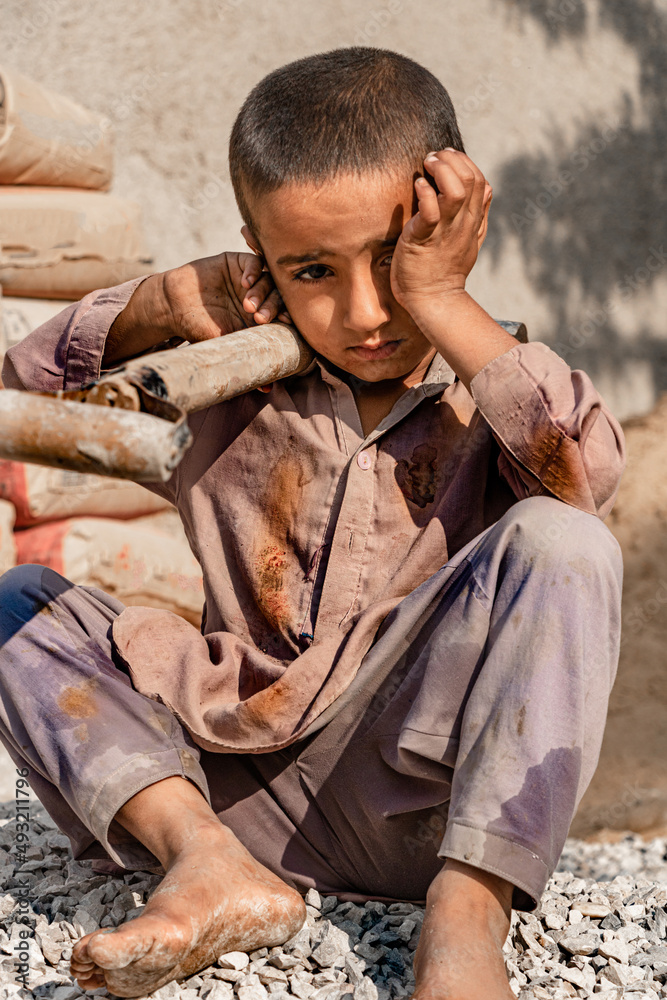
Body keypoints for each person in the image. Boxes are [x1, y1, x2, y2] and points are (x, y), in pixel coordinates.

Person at [0, 48, 624, 1000]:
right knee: (16, 606)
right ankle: (206, 867)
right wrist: (154, 307)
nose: (365, 311)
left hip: (422, 804)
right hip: (230, 785)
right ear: (257, 252)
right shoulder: (224, 380)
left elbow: (581, 481)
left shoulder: (493, 381)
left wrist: (445, 302)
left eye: (391, 259)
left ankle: (466, 926)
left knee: (561, 542)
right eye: (311, 271)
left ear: (448, 225)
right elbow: (27, 398)